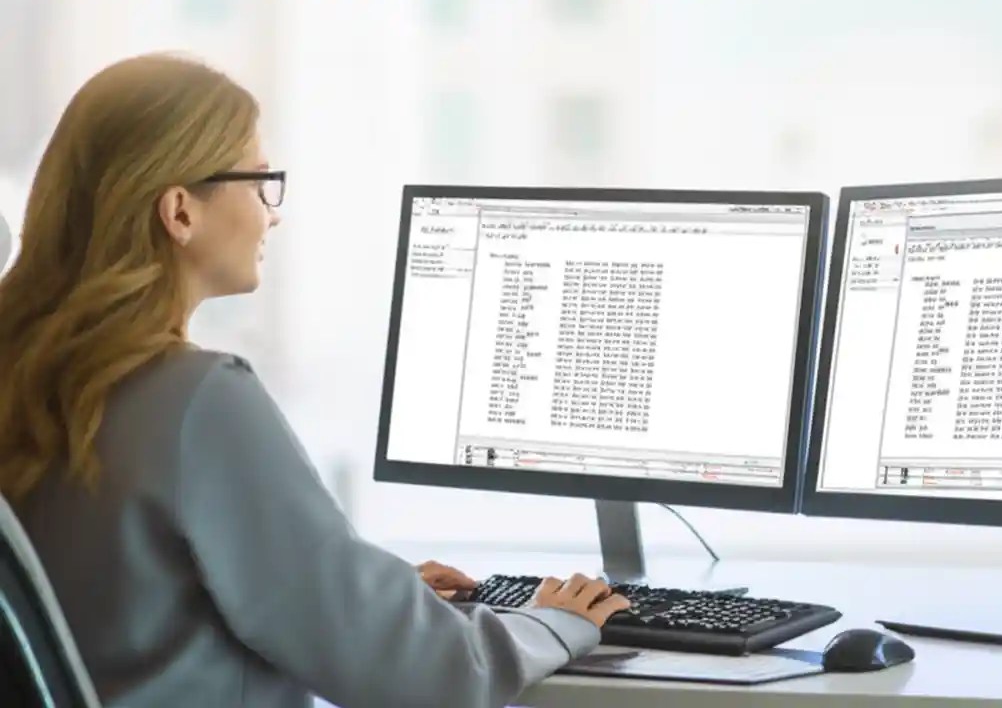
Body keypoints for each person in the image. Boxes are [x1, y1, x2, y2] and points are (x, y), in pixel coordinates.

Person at [0, 52, 629, 707]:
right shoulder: (195, 399)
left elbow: (131, 607)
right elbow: (422, 677)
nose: (273, 214)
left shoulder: (27, 376)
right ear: (180, 212)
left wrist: (362, 598)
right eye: (260, 183)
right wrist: (554, 623)